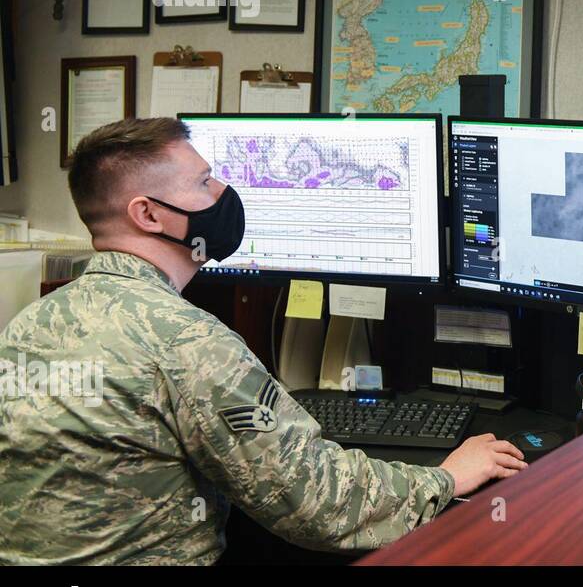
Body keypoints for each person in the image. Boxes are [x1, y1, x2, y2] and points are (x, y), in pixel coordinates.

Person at [0, 117, 526, 564]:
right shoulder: (185, 340)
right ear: (148, 214)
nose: (222, 194)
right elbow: (316, 503)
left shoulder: (32, 322)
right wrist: (446, 478)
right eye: (204, 182)